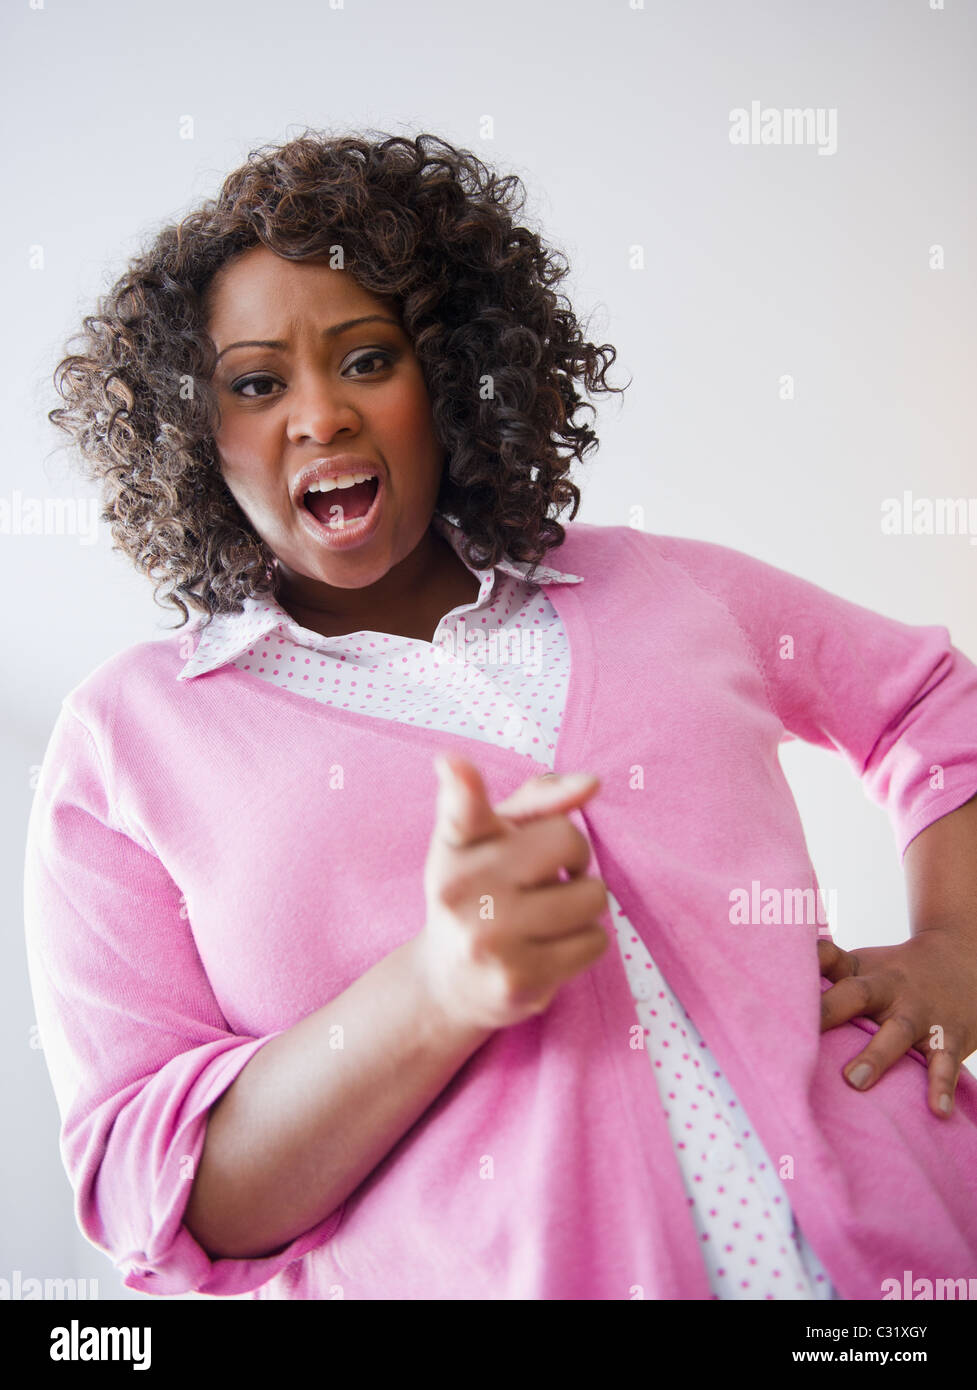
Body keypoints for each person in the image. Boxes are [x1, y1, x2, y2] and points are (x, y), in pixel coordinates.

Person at [24, 129, 977, 1301]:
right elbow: (164, 1195)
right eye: (258, 383)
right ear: (195, 435)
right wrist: (438, 988)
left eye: (367, 359)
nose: (319, 415)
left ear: (450, 374)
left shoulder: (659, 588)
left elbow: (931, 705)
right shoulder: (128, 745)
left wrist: (954, 944)